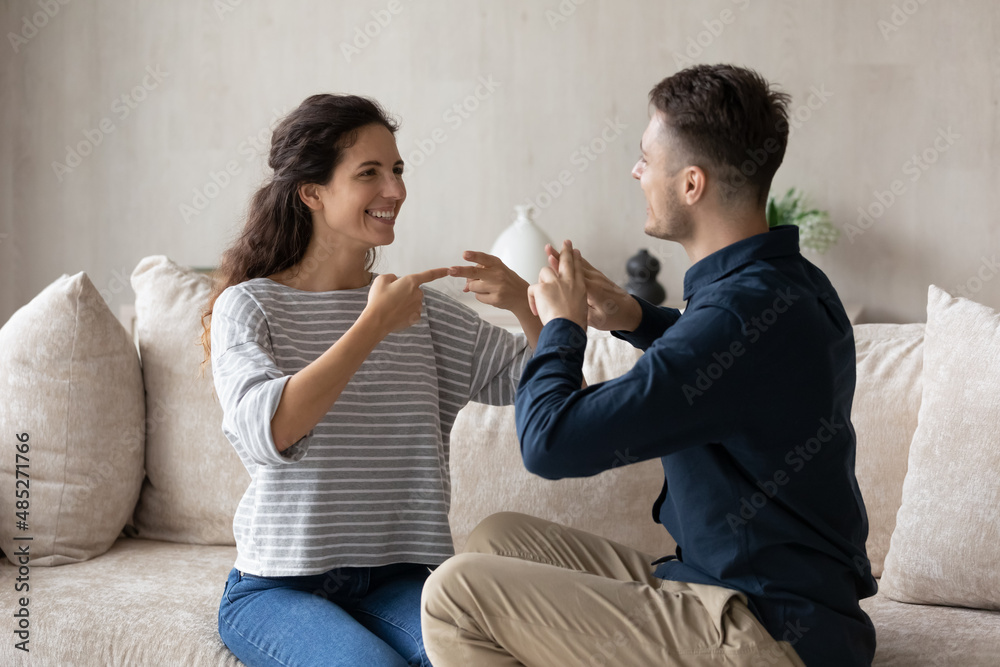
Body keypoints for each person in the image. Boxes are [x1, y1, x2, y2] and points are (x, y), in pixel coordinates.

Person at [421, 64, 878, 667]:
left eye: (645, 157)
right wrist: (632, 315)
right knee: (497, 539)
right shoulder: (783, 284)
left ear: (691, 184)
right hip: (739, 592)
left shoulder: (736, 316)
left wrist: (563, 326)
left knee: (454, 594)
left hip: (766, 634)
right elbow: (725, 366)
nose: (636, 171)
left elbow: (551, 443)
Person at [199, 93, 542, 667]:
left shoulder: (419, 312)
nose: (396, 190)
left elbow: (533, 384)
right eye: (369, 173)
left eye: (398, 170)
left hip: (401, 576)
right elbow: (270, 431)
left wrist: (526, 309)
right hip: (280, 585)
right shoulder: (250, 307)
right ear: (312, 192)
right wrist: (371, 326)